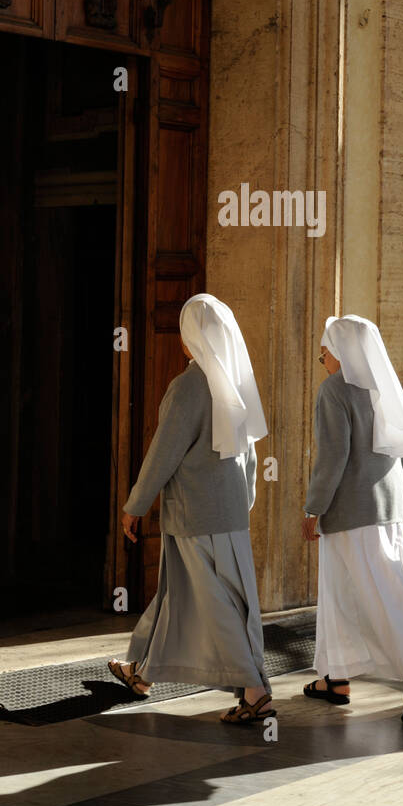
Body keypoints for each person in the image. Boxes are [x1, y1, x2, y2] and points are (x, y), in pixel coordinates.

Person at [108, 293, 273, 723]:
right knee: (179, 594)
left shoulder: (189, 386)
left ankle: (254, 691)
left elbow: (163, 453)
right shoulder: (234, 381)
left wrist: (135, 506)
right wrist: (243, 502)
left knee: (217, 607)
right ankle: (142, 673)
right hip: (229, 514)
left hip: (195, 518)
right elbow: (250, 453)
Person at [301, 315, 403, 723]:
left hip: (351, 512)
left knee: (381, 595)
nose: (321, 355)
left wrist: (314, 507)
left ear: (341, 351)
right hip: (388, 509)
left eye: (325, 347)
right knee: (343, 593)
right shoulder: (384, 388)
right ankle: (335, 677)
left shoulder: (333, 391)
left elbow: (332, 457)